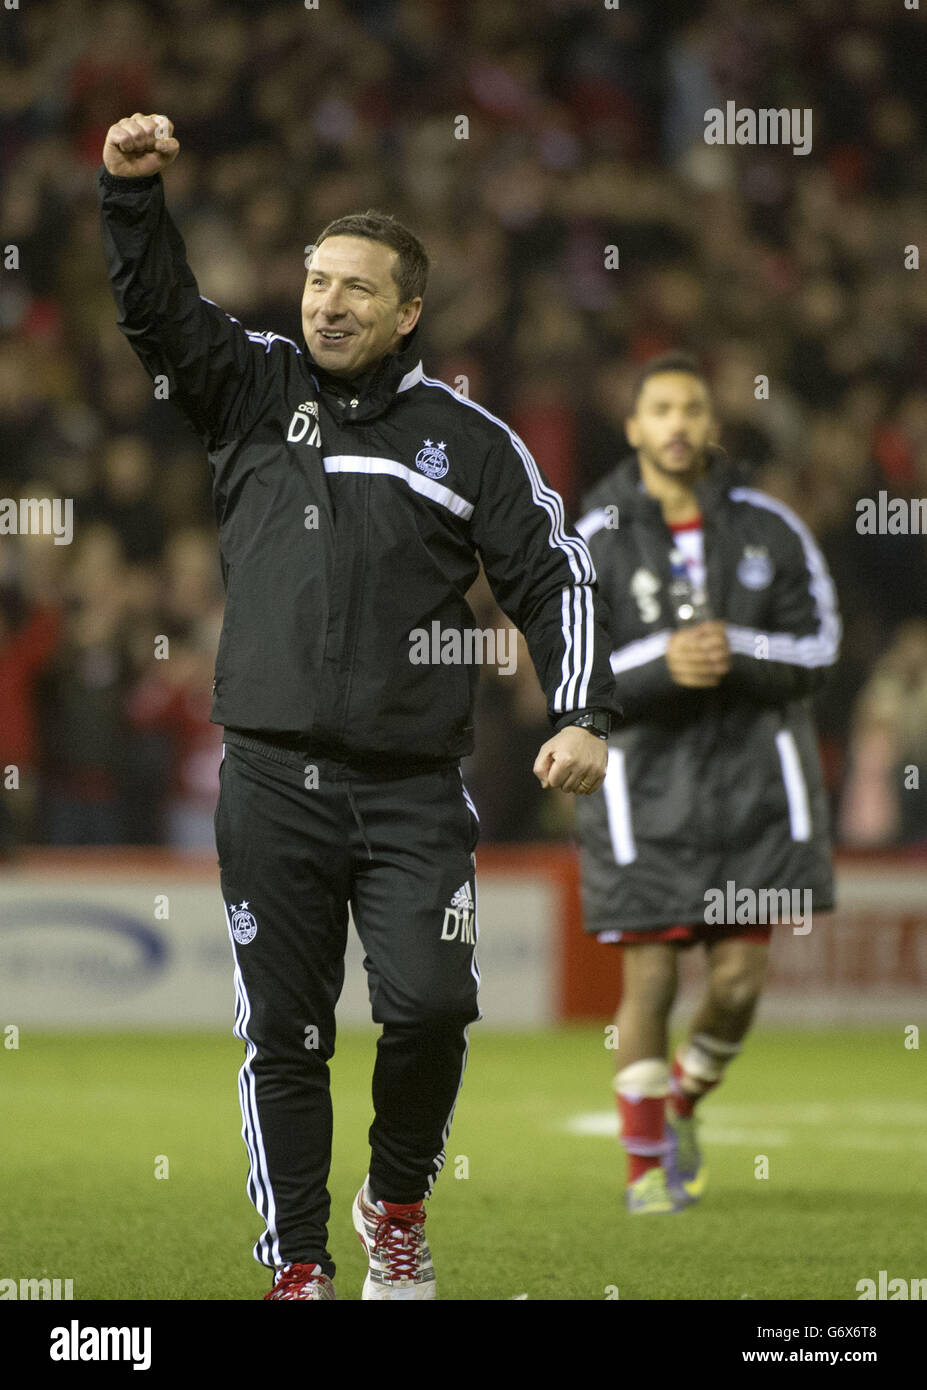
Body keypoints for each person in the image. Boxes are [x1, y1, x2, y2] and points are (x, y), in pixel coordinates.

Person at [98, 113, 619, 1299]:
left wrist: (581, 710)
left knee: (431, 1009)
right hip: (271, 777)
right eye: (316, 282)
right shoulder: (246, 388)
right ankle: (300, 1265)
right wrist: (132, 198)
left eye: (355, 290)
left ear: (408, 314)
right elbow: (156, 315)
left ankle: (396, 1204)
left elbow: (556, 570)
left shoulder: (468, 443)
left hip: (411, 789)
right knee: (284, 1034)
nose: (327, 304)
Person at [574, 352, 840, 1214]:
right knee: (649, 983)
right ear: (634, 427)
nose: (678, 423)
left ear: (711, 424)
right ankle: (644, 1172)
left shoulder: (769, 527)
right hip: (643, 791)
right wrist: (659, 665)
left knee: (734, 986)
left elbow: (820, 646)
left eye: (691, 407)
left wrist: (741, 650)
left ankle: (679, 1101)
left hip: (751, 793)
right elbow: (566, 665)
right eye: (660, 409)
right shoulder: (595, 534)